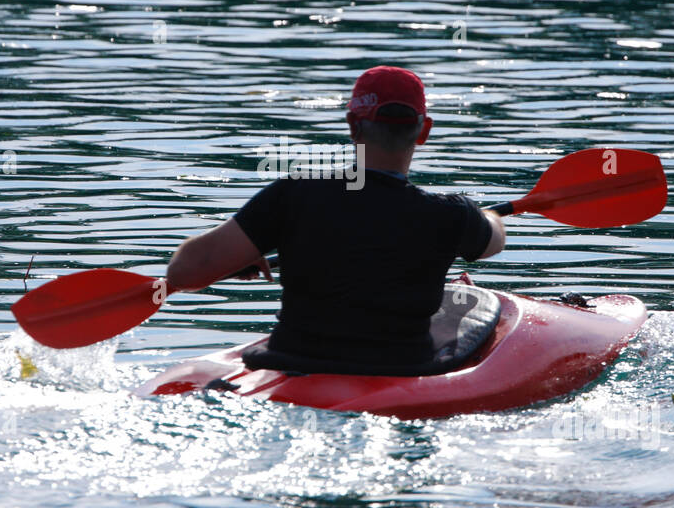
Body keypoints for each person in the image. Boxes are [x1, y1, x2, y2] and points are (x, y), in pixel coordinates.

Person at [166, 65, 506, 368]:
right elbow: (494, 241)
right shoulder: (450, 215)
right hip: (398, 366)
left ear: (353, 126)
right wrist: (486, 215)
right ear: (424, 131)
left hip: (292, 360)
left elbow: (183, 273)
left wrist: (247, 250)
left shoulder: (292, 195)